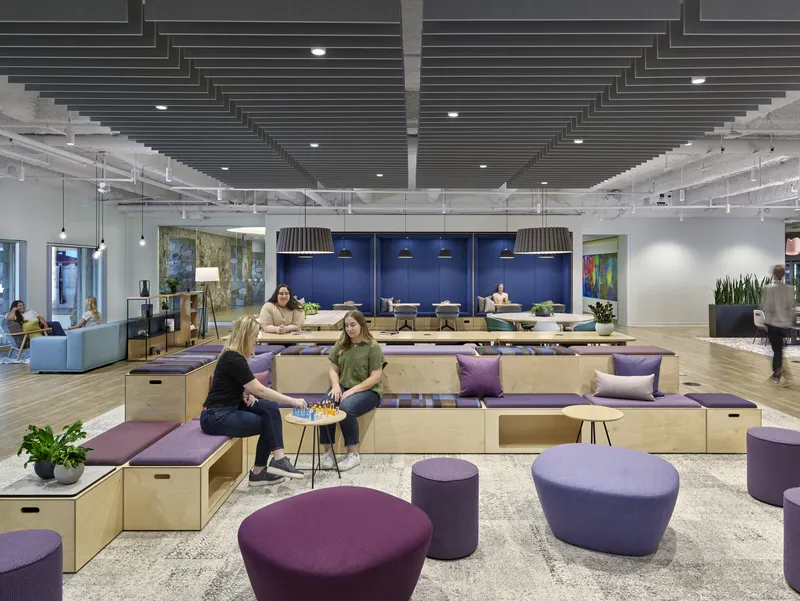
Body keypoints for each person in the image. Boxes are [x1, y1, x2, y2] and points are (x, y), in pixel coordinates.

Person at [200, 316, 307, 486]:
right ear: (245, 335)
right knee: (267, 422)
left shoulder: (235, 357)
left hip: (231, 407)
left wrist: (244, 393)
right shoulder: (233, 358)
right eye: (255, 335)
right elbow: (260, 390)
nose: (257, 340)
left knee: (270, 408)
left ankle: (275, 462)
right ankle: (261, 470)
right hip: (216, 416)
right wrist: (292, 401)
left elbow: (231, 385)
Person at [320, 310, 386, 472]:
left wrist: (352, 391)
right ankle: (328, 453)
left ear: (361, 324)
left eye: (353, 325)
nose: (349, 329)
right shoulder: (341, 344)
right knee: (326, 404)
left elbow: (375, 377)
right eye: (346, 326)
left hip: (369, 390)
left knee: (346, 408)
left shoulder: (372, 346)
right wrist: (336, 386)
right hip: (343, 386)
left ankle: (353, 455)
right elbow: (333, 369)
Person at [762, 264, 796, 386]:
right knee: (779, 350)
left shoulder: (769, 288)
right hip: (786, 325)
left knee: (777, 350)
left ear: (774, 274)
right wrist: (790, 321)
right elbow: (791, 307)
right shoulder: (789, 288)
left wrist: (765, 322)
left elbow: (767, 307)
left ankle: (777, 374)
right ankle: (778, 372)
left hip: (773, 324)